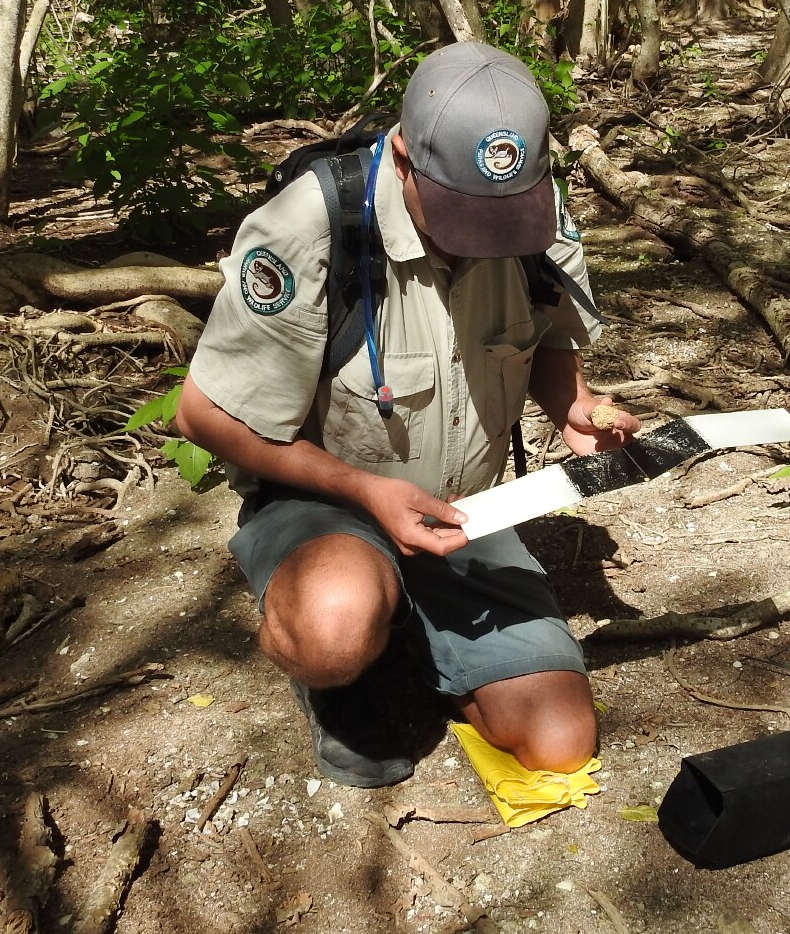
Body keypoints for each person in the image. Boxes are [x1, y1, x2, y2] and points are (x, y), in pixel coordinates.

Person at [176, 42, 639, 789]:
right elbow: (203, 416)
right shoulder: (312, 224)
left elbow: (549, 338)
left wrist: (575, 408)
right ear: (401, 157)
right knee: (335, 624)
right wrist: (366, 493)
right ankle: (344, 651)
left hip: (466, 515)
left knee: (559, 744)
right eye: (463, 213)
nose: (485, 237)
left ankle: (419, 635)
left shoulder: (538, 210)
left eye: (505, 216)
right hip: (328, 501)